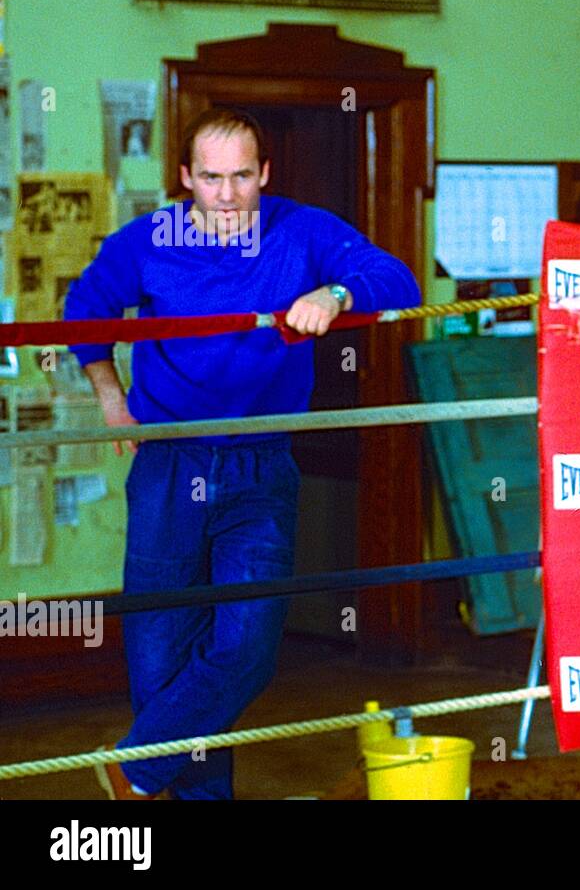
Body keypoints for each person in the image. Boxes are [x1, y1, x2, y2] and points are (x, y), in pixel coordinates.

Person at [63, 108, 422, 799]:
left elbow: (396, 280)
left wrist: (337, 291)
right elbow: (84, 311)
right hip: (170, 461)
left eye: (239, 178)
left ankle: (132, 767)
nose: (225, 195)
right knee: (162, 653)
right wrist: (110, 397)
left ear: (264, 173)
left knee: (248, 647)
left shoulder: (302, 230)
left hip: (262, 462)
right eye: (210, 178)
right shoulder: (148, 240)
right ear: (185, 178)